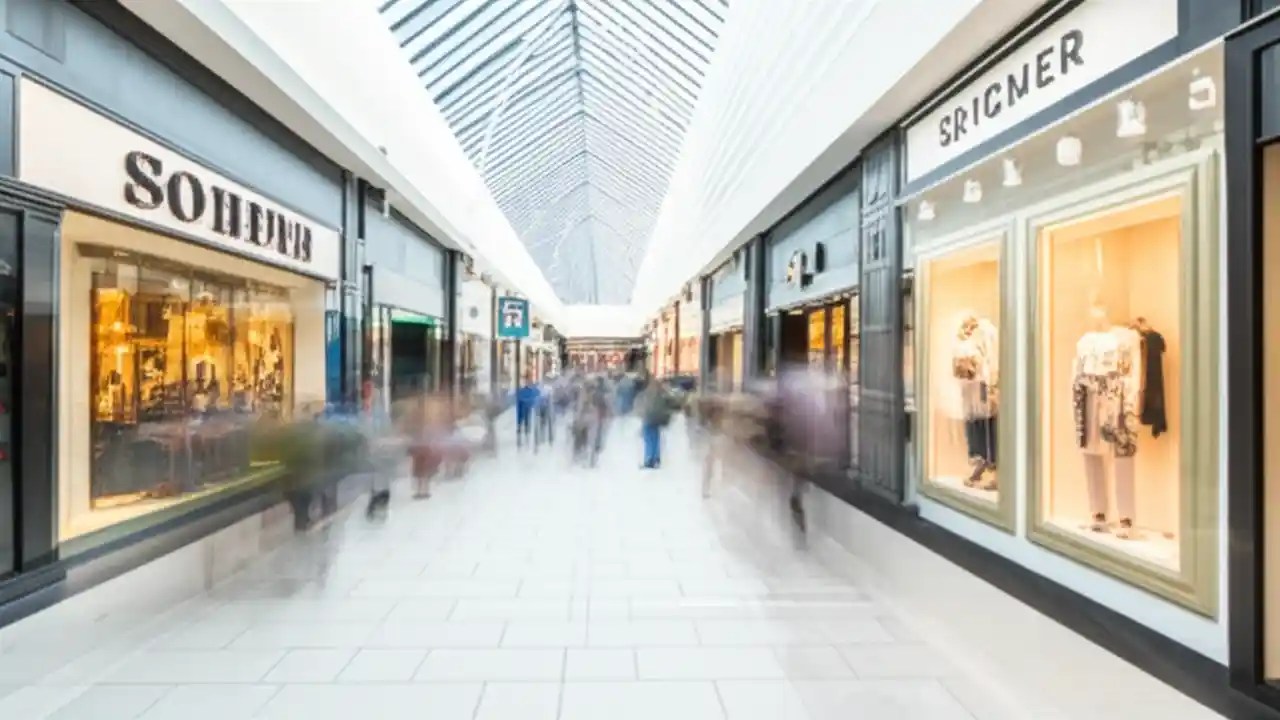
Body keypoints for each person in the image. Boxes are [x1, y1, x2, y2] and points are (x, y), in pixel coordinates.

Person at [638, 377, 672, 469]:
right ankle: (656, 458)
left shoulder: (650, 393)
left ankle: (649, 459)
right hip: (657, 419)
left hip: (650, 418)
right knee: (655, 438)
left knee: (649, 438)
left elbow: (645, 407)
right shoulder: (663, 393)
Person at [515, 377, 540, 448]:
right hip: (524, 407)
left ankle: (524, 430)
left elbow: (535, 396)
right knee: (523, 418)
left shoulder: (527, 390)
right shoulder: (524, 390)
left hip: (526, 407)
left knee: (525, 418)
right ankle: (523, 429)